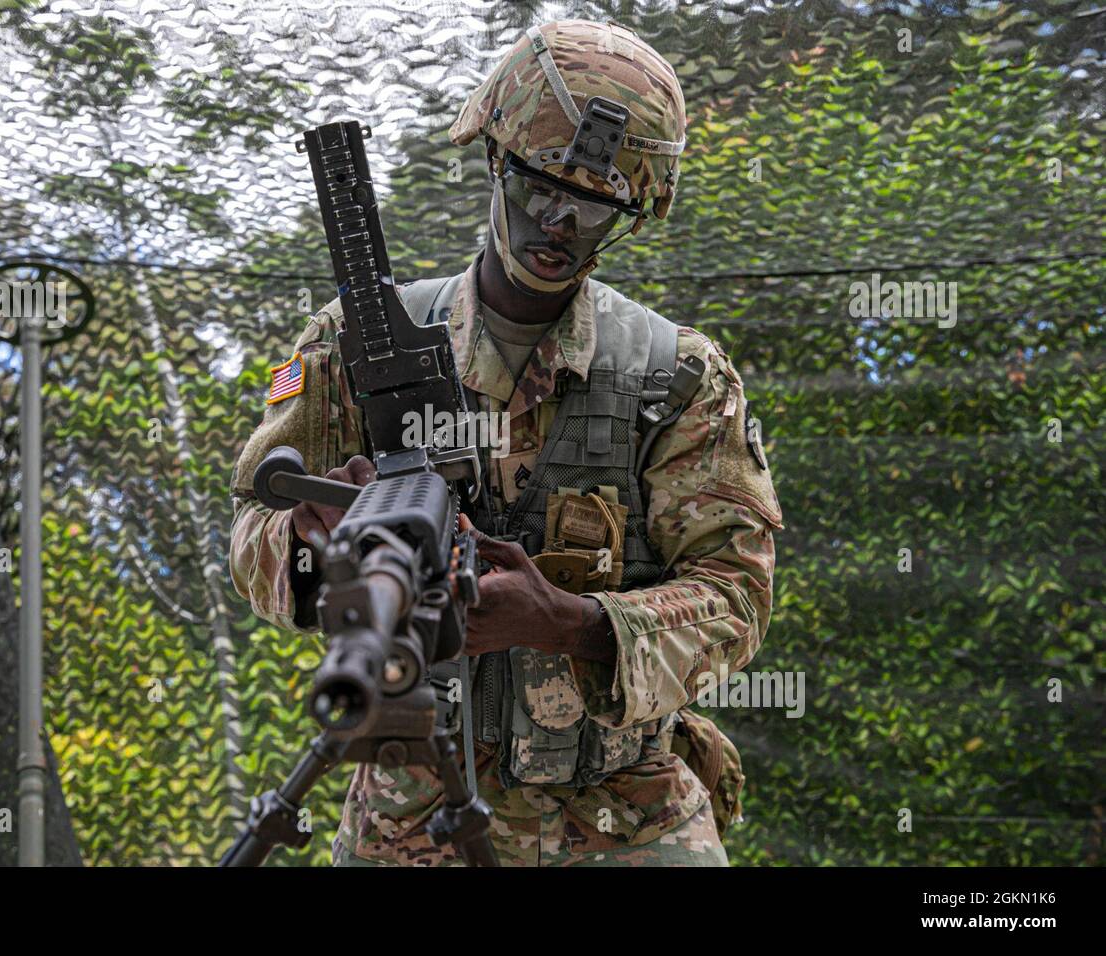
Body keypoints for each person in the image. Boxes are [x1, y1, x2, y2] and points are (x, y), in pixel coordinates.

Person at [229, 18, 782, 866]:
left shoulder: (678, 378)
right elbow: (251, 534)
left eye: (594, 206)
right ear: (497, 163)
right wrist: (312, 545)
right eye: (537, 187)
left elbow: (736, 598)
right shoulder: (354, 343)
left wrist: (568, 622)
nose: (559, 223)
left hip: (626, 815)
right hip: (412, 813)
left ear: (628, 212)